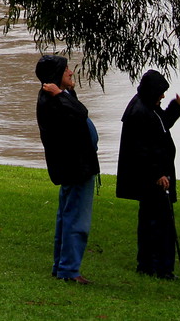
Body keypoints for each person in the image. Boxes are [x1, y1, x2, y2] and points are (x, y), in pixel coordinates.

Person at [116, 69, 180, 279]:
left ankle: (149, 265)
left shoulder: (149, 106)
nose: (163, 96)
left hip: (156, 176)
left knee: (153, 221)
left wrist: (177, 106)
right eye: (160, 92)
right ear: (152, 91)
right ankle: (160, 268)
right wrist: (158, 174)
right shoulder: (140, 112)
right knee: (160, 224)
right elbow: (141, 149)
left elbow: (163, 122)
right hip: (154, 179)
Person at [35, 54, 101, 284]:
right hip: (75, 167)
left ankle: (62, 266)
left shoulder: (60, 96)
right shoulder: (53, 100)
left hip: (77, 166)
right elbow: (81, 113)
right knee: (76, 220)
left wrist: (63, 93)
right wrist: (61, 94)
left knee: (67, 216)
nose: (71, 73)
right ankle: (69, 270)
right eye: (66, 71)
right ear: (56, 77)